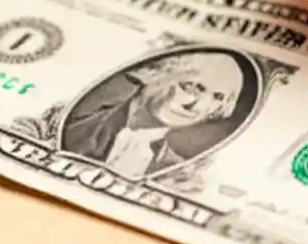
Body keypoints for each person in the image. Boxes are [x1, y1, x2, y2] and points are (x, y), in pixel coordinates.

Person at [60, 51, 245, 179]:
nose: (197, 106)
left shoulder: (179, 175)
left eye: (218, 98)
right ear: (157, 76)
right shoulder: (77, 119)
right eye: (191, 86)